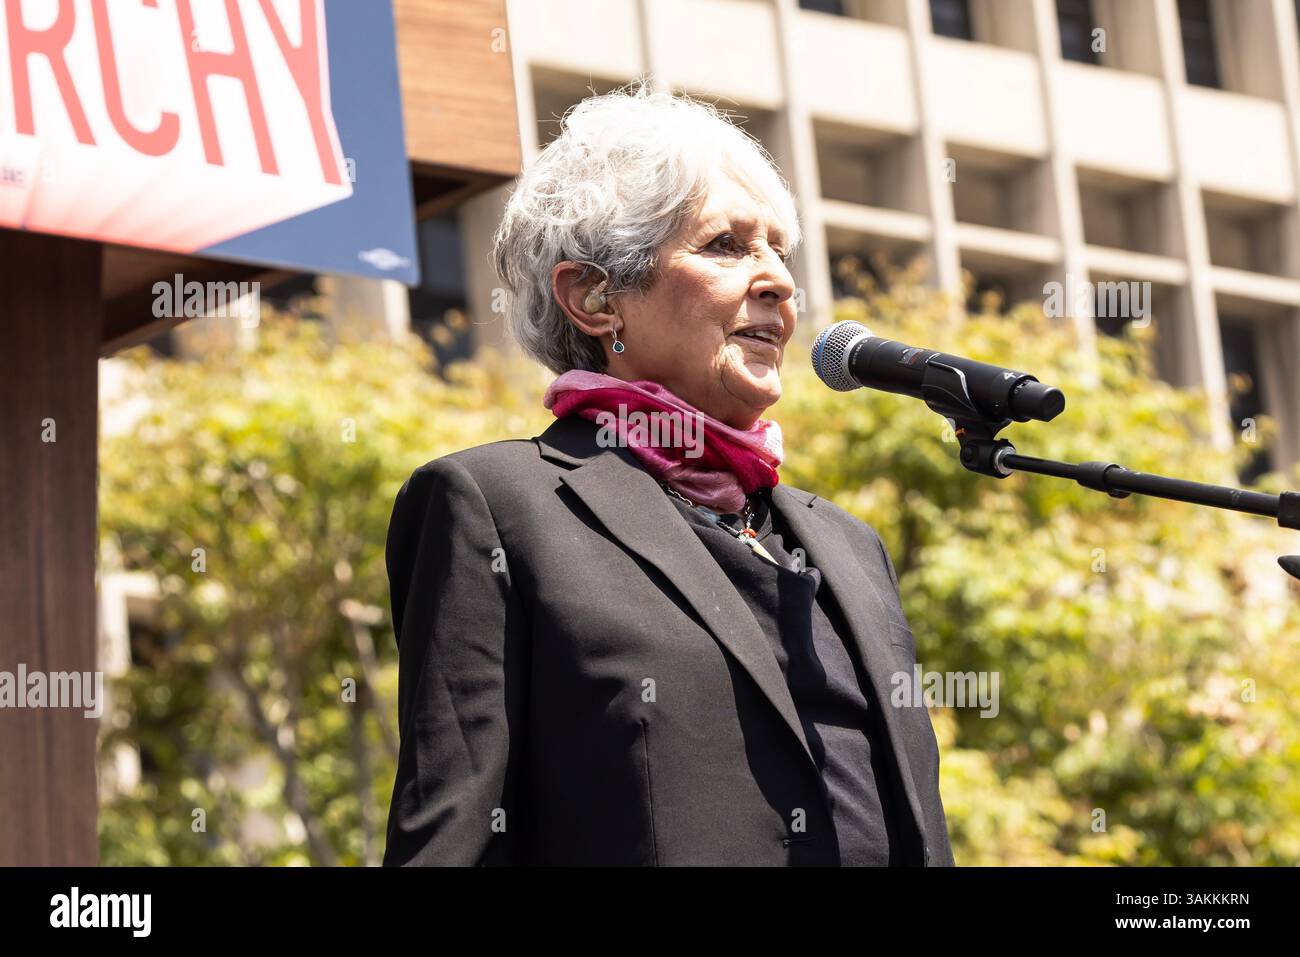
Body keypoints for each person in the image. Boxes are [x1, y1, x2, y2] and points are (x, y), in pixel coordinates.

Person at [382, 83, 955, 866]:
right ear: (594, 297)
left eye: (777, 250)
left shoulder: (849, 545)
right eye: (726, 245)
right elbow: (451, 843)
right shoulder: (498, 508)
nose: (780, 282)